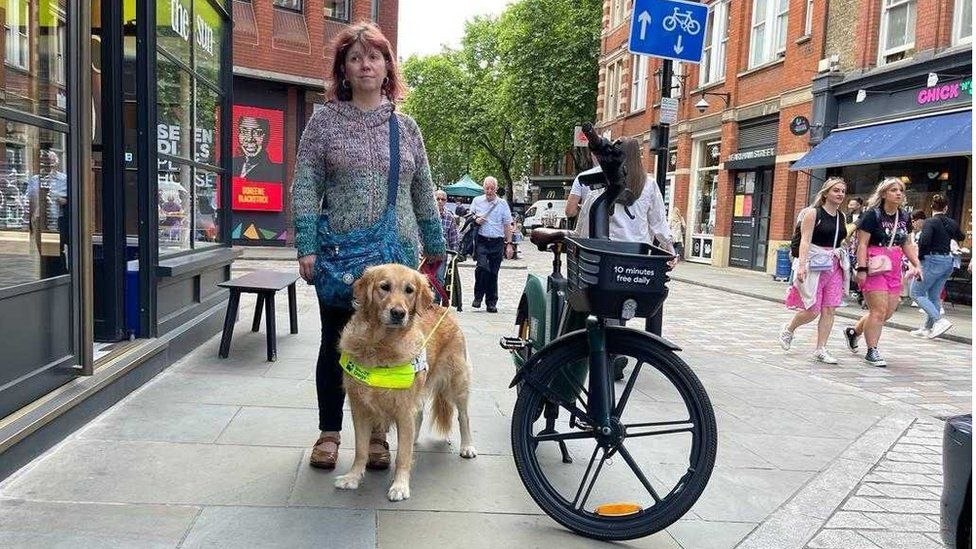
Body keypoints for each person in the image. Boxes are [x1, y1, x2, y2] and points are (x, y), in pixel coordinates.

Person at [291, 22, 445, 471]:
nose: (365, 65)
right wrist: (306, 246)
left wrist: (435, 246)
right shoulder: (323, 122)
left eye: (373, 57)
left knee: (393, 348)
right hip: (340, 259)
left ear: (386, 66)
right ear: (343, 68)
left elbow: (422, 189)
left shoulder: (407, 127)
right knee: (336, 345)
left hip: (396, 256)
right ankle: (329, 433)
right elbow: (305, 186)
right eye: (355, 58)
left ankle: (377, 437)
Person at [573, 137, 675, 380]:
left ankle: (608, 350)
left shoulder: (603, 183)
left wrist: (577, 238)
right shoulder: (648, 185)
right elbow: (658, 223)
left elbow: (587, 217)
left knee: (603, 301)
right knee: (623, 303)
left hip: (606, 255)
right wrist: (669, 248)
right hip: (635, 259)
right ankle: (616, 346)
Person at [843, 177, 922, 367]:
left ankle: (854, 332)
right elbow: (862, 244)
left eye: (901, 190)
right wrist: (861, 269)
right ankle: (872, 350)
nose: (898, 193)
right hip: (874, 265)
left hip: (894, 266)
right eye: (894, 190)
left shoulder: (903, 217)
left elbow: (906, 243)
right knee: (877, 311)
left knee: (886, 313)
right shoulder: (872, 215)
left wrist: (917, 264)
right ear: (884, 193)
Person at [779, 178, 849, 364]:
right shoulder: (812, 213)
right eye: (836, 190)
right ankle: (789, 329)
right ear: (826, 193)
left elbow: (840, 240)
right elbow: (805, 240)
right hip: (815, 264)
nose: (840, 194)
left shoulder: (842, 216)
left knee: (829, 309)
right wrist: (801, 265)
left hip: (834, 265)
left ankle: (821, 348)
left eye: (842, 191)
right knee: (812, 310)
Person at [911, 194, 965, 338]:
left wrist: (919, 261)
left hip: (931, 259)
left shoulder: (930, 222)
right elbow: (961, 237)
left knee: (916, 293)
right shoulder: (951, 222)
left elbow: (924, 241)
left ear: (931, 207)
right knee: (934, 295)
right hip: (948, 261)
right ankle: (927, 328)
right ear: (946, 208)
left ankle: (939, 321)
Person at [469, 176, 513, 313]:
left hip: (497, 242)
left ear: (496, 189)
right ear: (484, 188)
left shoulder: (502, 204)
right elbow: (470, 216)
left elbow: (507, 225)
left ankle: (491, 302)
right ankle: (478, 296)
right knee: (482, 268)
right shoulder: (477, 201)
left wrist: (509, 244)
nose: (489, 191)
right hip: (482, 240)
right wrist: (476, 219)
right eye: (487, 188)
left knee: (493, 273)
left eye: (492, 188)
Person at [26, 151, 69, 275]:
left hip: (56, 220)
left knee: (56, 251)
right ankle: (47, 275)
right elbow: (28, 199)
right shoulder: (34, 180)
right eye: (44, 163)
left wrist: (60, 199)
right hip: (40, 220)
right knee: (43, 252)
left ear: (56, 164)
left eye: (50, 163)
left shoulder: (63, 179)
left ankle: (59, 275)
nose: (48, 166)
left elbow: (69, 200)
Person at [233, 116, 285, 183]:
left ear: (267, 136)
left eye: (257, 133)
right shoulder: (231, 163)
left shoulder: (277, 171)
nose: (249, 139)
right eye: (244, 132)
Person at [566, 154, 600, 219]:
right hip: (622, 228)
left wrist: (582, 208)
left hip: (593, 226)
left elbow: (570, 211)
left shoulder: (582, 178)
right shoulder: (623, 176)